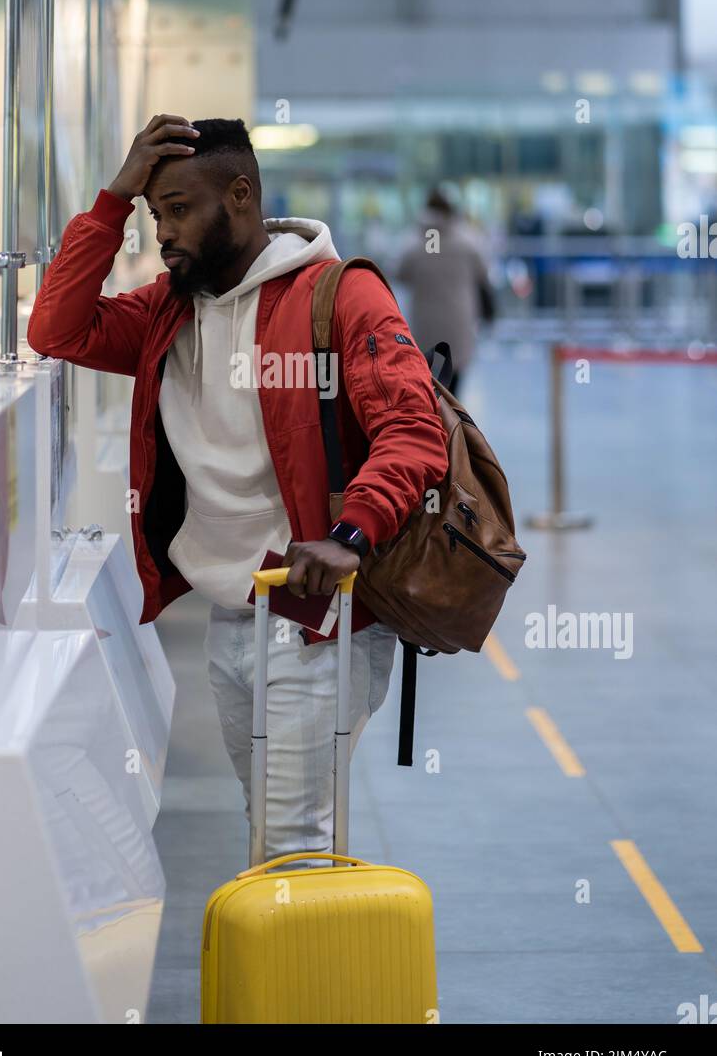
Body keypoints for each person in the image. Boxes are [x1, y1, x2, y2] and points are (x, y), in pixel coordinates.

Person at [27, 115, 449, 860]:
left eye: (180, 209)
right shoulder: (168, 312)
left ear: (242, 196)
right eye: (156, 214)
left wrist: (353, 533)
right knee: (273, 829)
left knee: (290, 841)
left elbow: (413, 431)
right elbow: (56, 330)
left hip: (320, 616)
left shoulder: (339, 297)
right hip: (233, 613)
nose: (164, 231)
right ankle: (302, 973)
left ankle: (315, 976)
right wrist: (110, 201)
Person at [397, 187, 494, 395]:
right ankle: (452, 425)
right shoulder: (467, 241)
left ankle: (434, 424)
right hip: (458, 323)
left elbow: (400, 273)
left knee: (428, 387)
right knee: (453, 388)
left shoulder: (415, 242)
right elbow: (483, 272)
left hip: (424, 325)